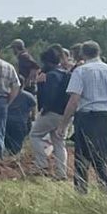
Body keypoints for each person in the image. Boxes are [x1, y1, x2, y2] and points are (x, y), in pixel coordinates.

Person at [62, 40, 107, 193]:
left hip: (88, 119)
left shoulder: (81, 71)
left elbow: (74, 100)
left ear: (82, 53)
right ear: (99, 52)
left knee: (82, 160)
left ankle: (81, 193)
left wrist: (63, 124)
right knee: (103, 160)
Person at [29, 46, 71, 180]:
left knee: (34, 135)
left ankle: (41, 164)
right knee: (59, 142)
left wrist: (40, 84)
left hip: (52, 112)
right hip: (65, 113)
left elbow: (48, 95)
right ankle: (61, 173)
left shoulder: (51, 76)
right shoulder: (66, 74)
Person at [3, 76, 36, 157]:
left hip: (6, 122)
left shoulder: (7, 95)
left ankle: (7, 157)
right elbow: (33, 109)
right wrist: (33, 117)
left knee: (7, 143)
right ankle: (14, 158)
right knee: (17, 145)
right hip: (20, 123)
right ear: (23, 84)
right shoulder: (28, 96)